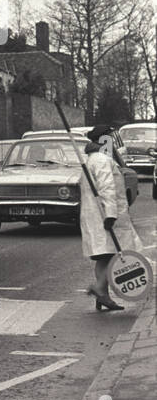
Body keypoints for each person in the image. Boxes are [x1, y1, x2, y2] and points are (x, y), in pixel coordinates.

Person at [79, 124, 138, 311]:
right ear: (103, 139)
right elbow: (107, 189)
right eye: (110, 137)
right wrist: (111, 215)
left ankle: (103, 296)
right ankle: (98, 289)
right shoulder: (103, 160)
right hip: (105, 215)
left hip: (95, 215)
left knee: (103, 257)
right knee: (115, 255)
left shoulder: (92, 159)